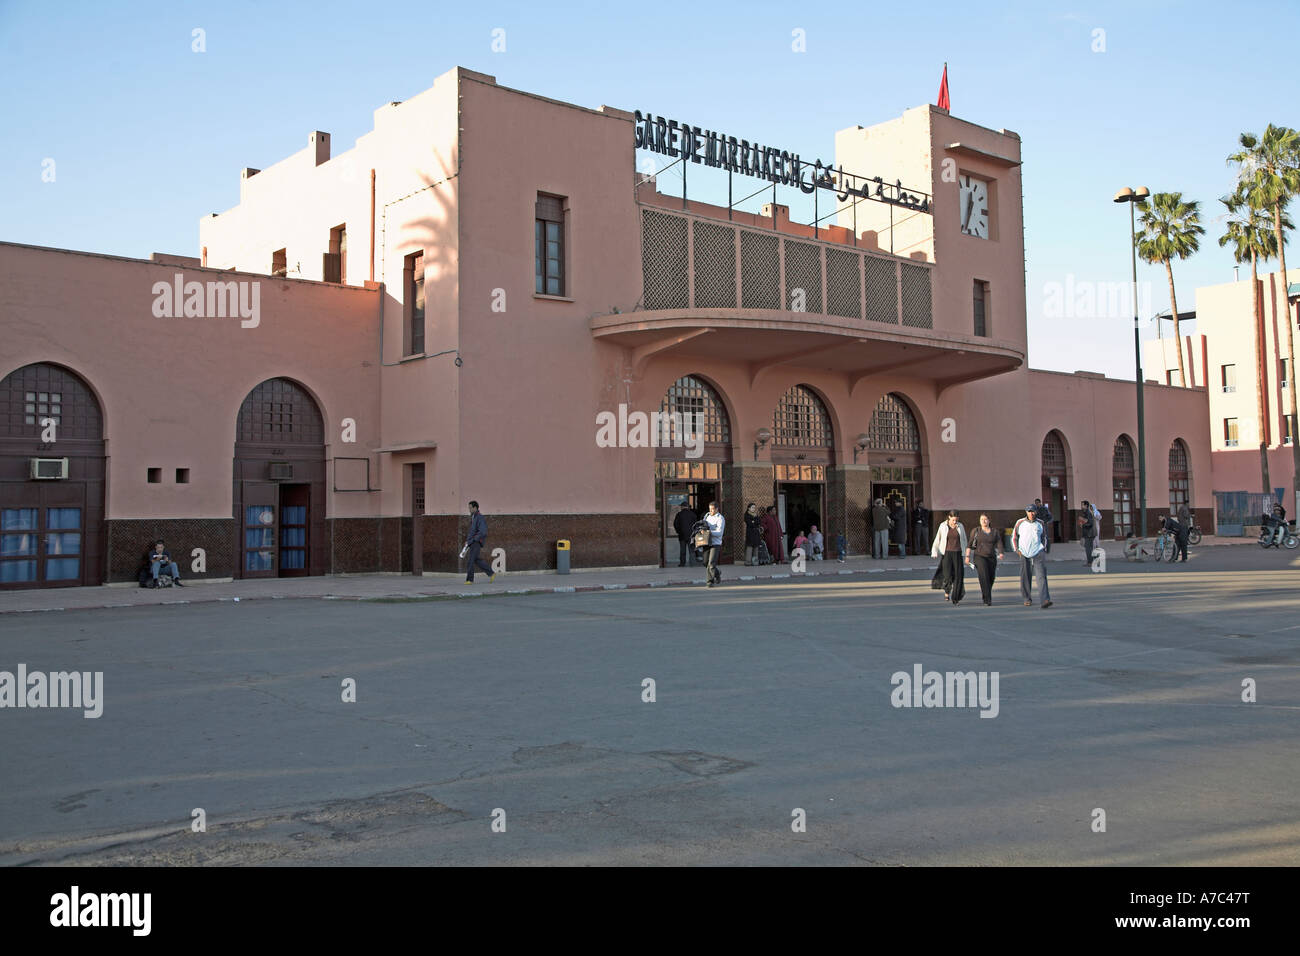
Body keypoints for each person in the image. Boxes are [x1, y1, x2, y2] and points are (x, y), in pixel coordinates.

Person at [1014, 504, 1052, 608]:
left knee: (1041, 576)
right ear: (1026, 512)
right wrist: (1017, 549)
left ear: (1036, 512)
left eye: (1033, 511)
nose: (1031, 513)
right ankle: (1027, 598)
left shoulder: (1040, 523)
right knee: (1025, 576)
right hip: (1024, 552)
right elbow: (1014, 537)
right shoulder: (1020, 522)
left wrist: (1043, 549)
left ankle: (1045, 600)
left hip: (1038, 552)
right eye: (1029, 511)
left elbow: (1044, 536)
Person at [929, 510, 967, 605]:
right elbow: (938, 538)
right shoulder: (943, 526)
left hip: (958, 553)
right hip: (946, 553)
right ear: (949, 517)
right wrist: (934, 551)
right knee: (947, 575)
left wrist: (967, 553)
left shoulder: (960, 526)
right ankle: (947, 591)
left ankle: (956, 598)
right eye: (953, 520)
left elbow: (964, 540)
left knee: (958, 575)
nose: (955, 522)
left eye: (956, 520)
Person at [965, 513, 1003, 606]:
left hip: (991, 557)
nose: (983, 521)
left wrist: (1001, 552)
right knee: (984, 577)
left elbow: (999, 543)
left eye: (985, 519)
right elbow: (969, 544)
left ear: (989, 521)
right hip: (979, 557)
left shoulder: (994, 532)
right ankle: (987, 599)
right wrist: (967, 557)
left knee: (991, 578)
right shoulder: (976, 531)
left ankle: (986, 593)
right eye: (982, 519)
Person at [463, 500, 495, 584]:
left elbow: (483, 531)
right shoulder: (473, 517)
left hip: (476, 542)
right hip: (472, 542)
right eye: (468, 508)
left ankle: (469, 580)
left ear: (475, 508)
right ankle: (491, 573)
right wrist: (468, 541)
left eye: (470, 508)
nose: (469, 509)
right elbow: (472, 531)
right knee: (476, 560)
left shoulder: (479, 517)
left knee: (471, 561)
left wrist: (474, 539)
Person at [703, 500, 725, 587]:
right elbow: (703, 525)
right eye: (710, 509)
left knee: (711, 563)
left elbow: (719, 532)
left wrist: (709, 532)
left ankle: (710, 582)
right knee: (705, 562)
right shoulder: (707, 516)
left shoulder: (720, 518)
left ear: (717, 509)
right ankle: (717, 572)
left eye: (712, 509)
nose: (711, 511)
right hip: (706, 542)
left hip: (716, 543)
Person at [673, 501, 698, 568]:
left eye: (681, 506)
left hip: (682, 536)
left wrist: (678, 531)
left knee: (682, 550)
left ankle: (682, 563)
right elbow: (696, 525)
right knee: (691, 551)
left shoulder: (679, 514)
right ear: (687, 507)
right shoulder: (692, 514)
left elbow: (675, 524)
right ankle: (692, 563)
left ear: (682, 507)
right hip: (691, 536)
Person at [1077, 499, 1097, 567]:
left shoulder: (1088, 513)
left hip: (1089, 533)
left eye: (1082, 505)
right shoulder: (1086, 512)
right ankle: (1093, 560)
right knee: (1089, 548)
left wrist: (1083, 524)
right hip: (1089, 533)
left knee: (1088, 548)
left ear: (1086, 505)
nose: (1081, 506)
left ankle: (1090, 562)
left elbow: (1090, 523)